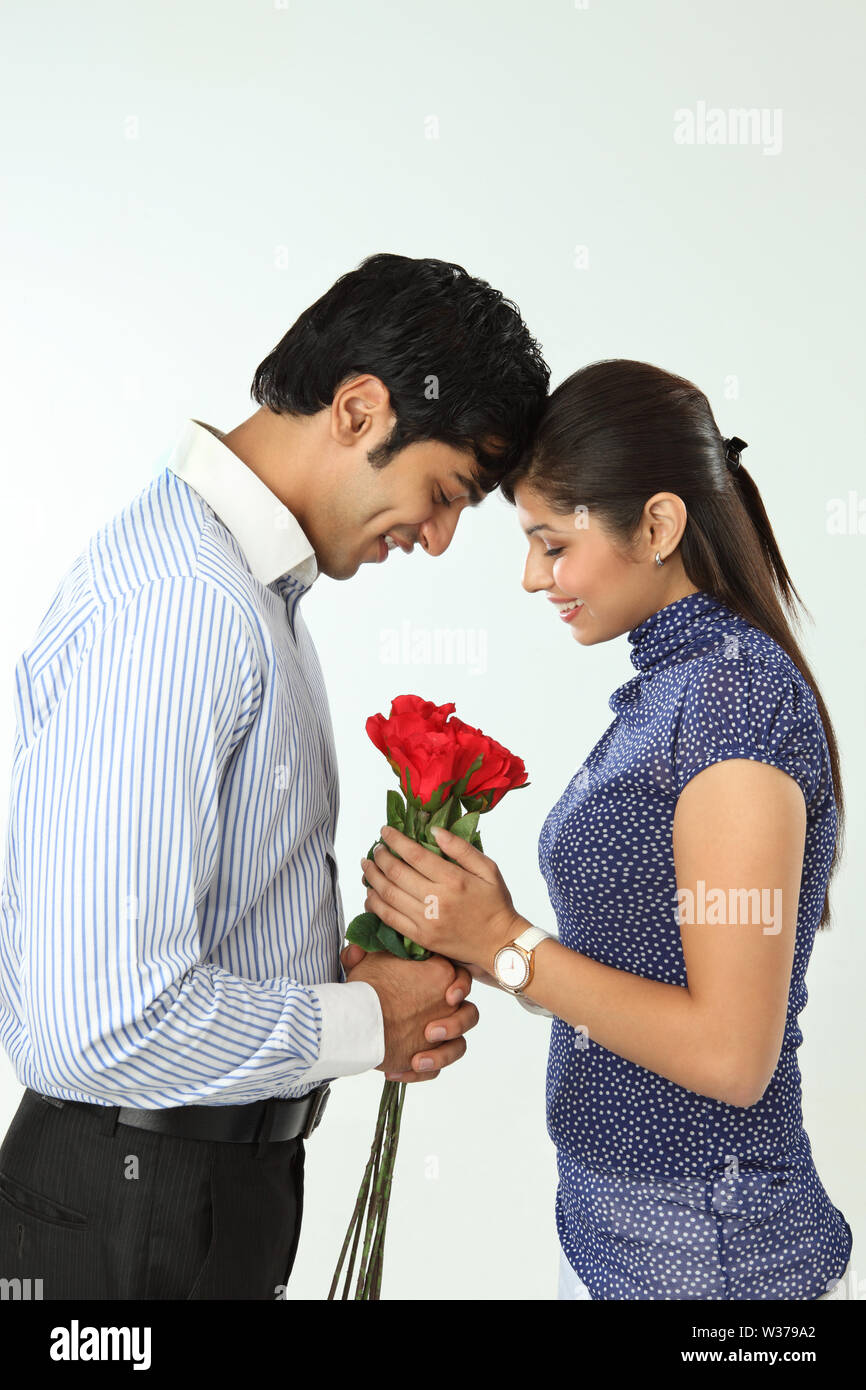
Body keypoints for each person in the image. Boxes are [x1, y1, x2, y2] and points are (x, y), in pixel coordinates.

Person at [0, 252, 550, 1299]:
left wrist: (333, 979)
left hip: (187, 1194)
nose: (435, 539)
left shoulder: (248, 592)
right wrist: (358, 1021)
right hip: (131, 1211)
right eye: (442, 494)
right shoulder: (185, 607)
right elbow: (98, 1018)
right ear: (356, 409)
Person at [350, 358, 854, 1300]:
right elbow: (631, 976)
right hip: (622, 1239)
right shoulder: (675, 689)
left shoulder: (732, 699)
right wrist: (474, 935)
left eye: (551, 542)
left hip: (714, 1265)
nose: (533, 577)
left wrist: (505, 945)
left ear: (657, 526)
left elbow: (731, 1058)